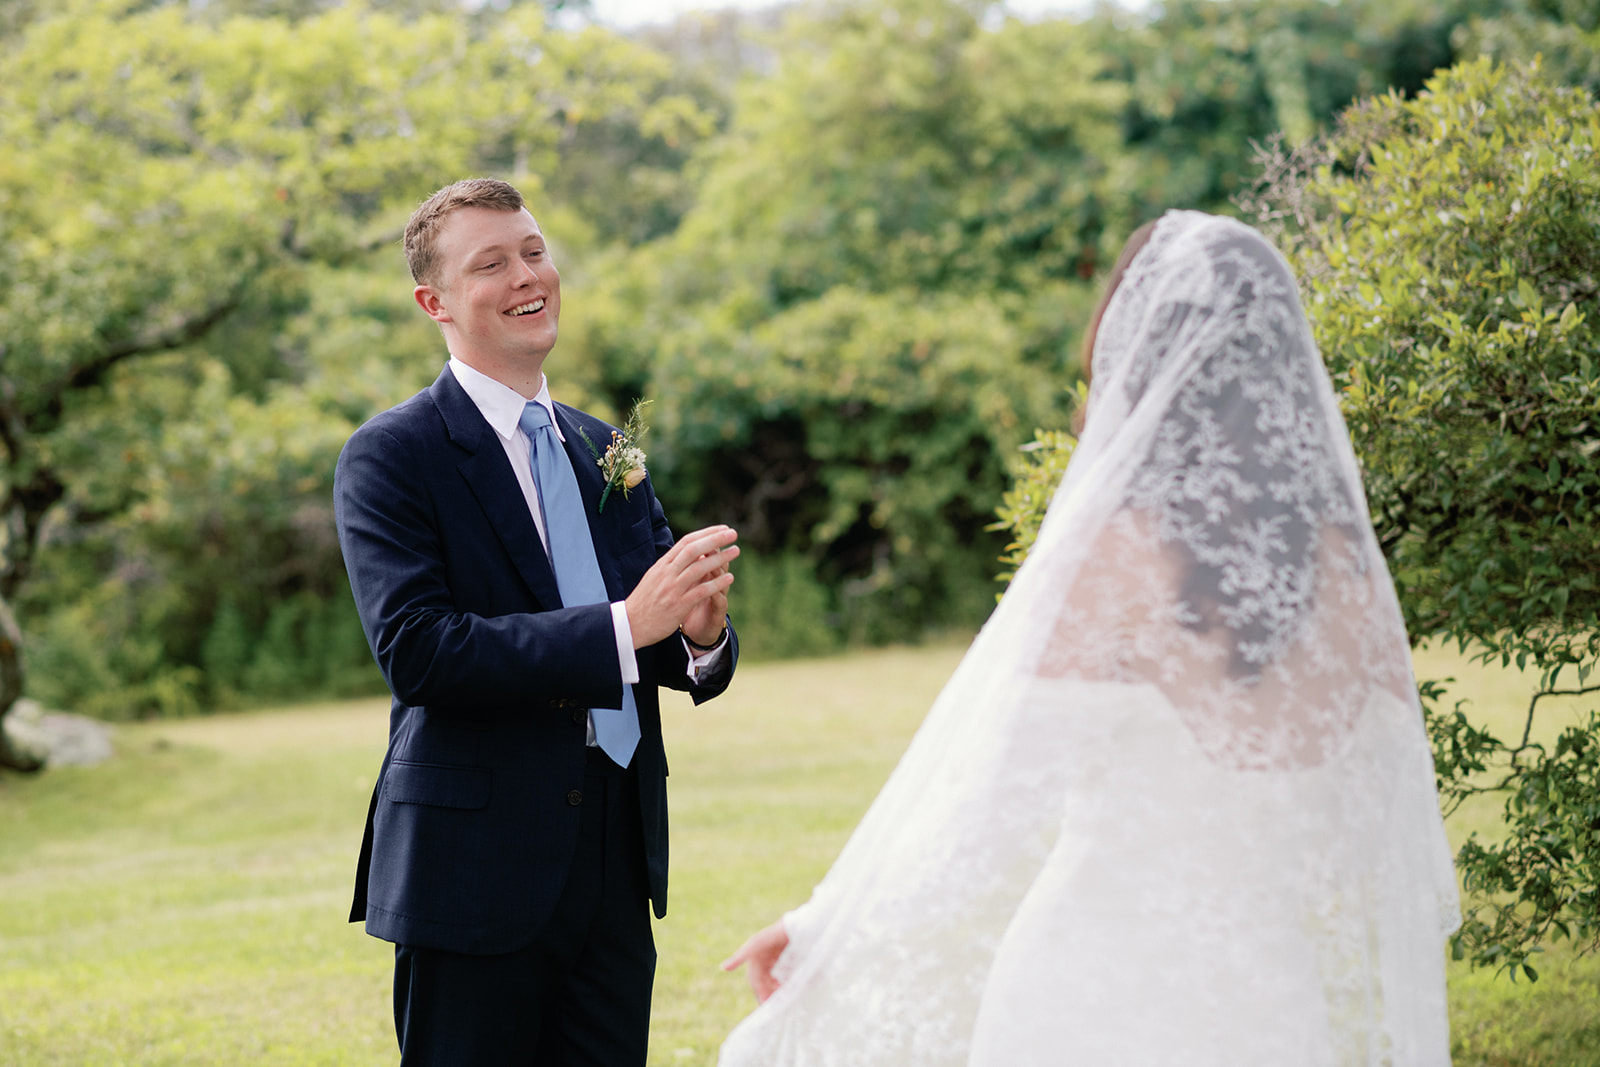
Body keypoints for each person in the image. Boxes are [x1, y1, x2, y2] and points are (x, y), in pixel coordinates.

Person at [719, 211, 1459, 1065]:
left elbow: (992, 801)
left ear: (1138, 360)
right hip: (1270, 1001)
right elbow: (1375, 827)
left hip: (1094, 994)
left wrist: (823, 930)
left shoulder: (1118, 553)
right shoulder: (1353, 577)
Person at [334, 177, 740, 1066]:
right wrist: (627, 625)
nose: (528, 274)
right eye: (492, 263)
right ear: (432, 301)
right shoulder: (392, 455)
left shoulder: (604, 448)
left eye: (533, 250)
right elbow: (421, 652)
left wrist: (700, 635)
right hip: (472, 862)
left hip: (615, 856)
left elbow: (657, 641)